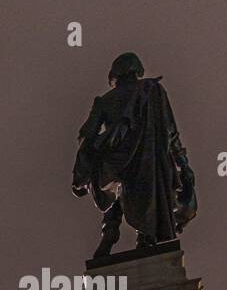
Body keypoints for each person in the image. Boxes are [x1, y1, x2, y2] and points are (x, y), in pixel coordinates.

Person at [72, 52, 196, 258]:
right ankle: (145, 238)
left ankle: (109, 235)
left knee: (115, 191)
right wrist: (181, 160)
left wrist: (83, 169)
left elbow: (86, 135)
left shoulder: (104, 101)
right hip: (145, 158)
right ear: (136, 70)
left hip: (114, 161)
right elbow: (169, 130)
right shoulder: (152, 90)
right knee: (146, 191)